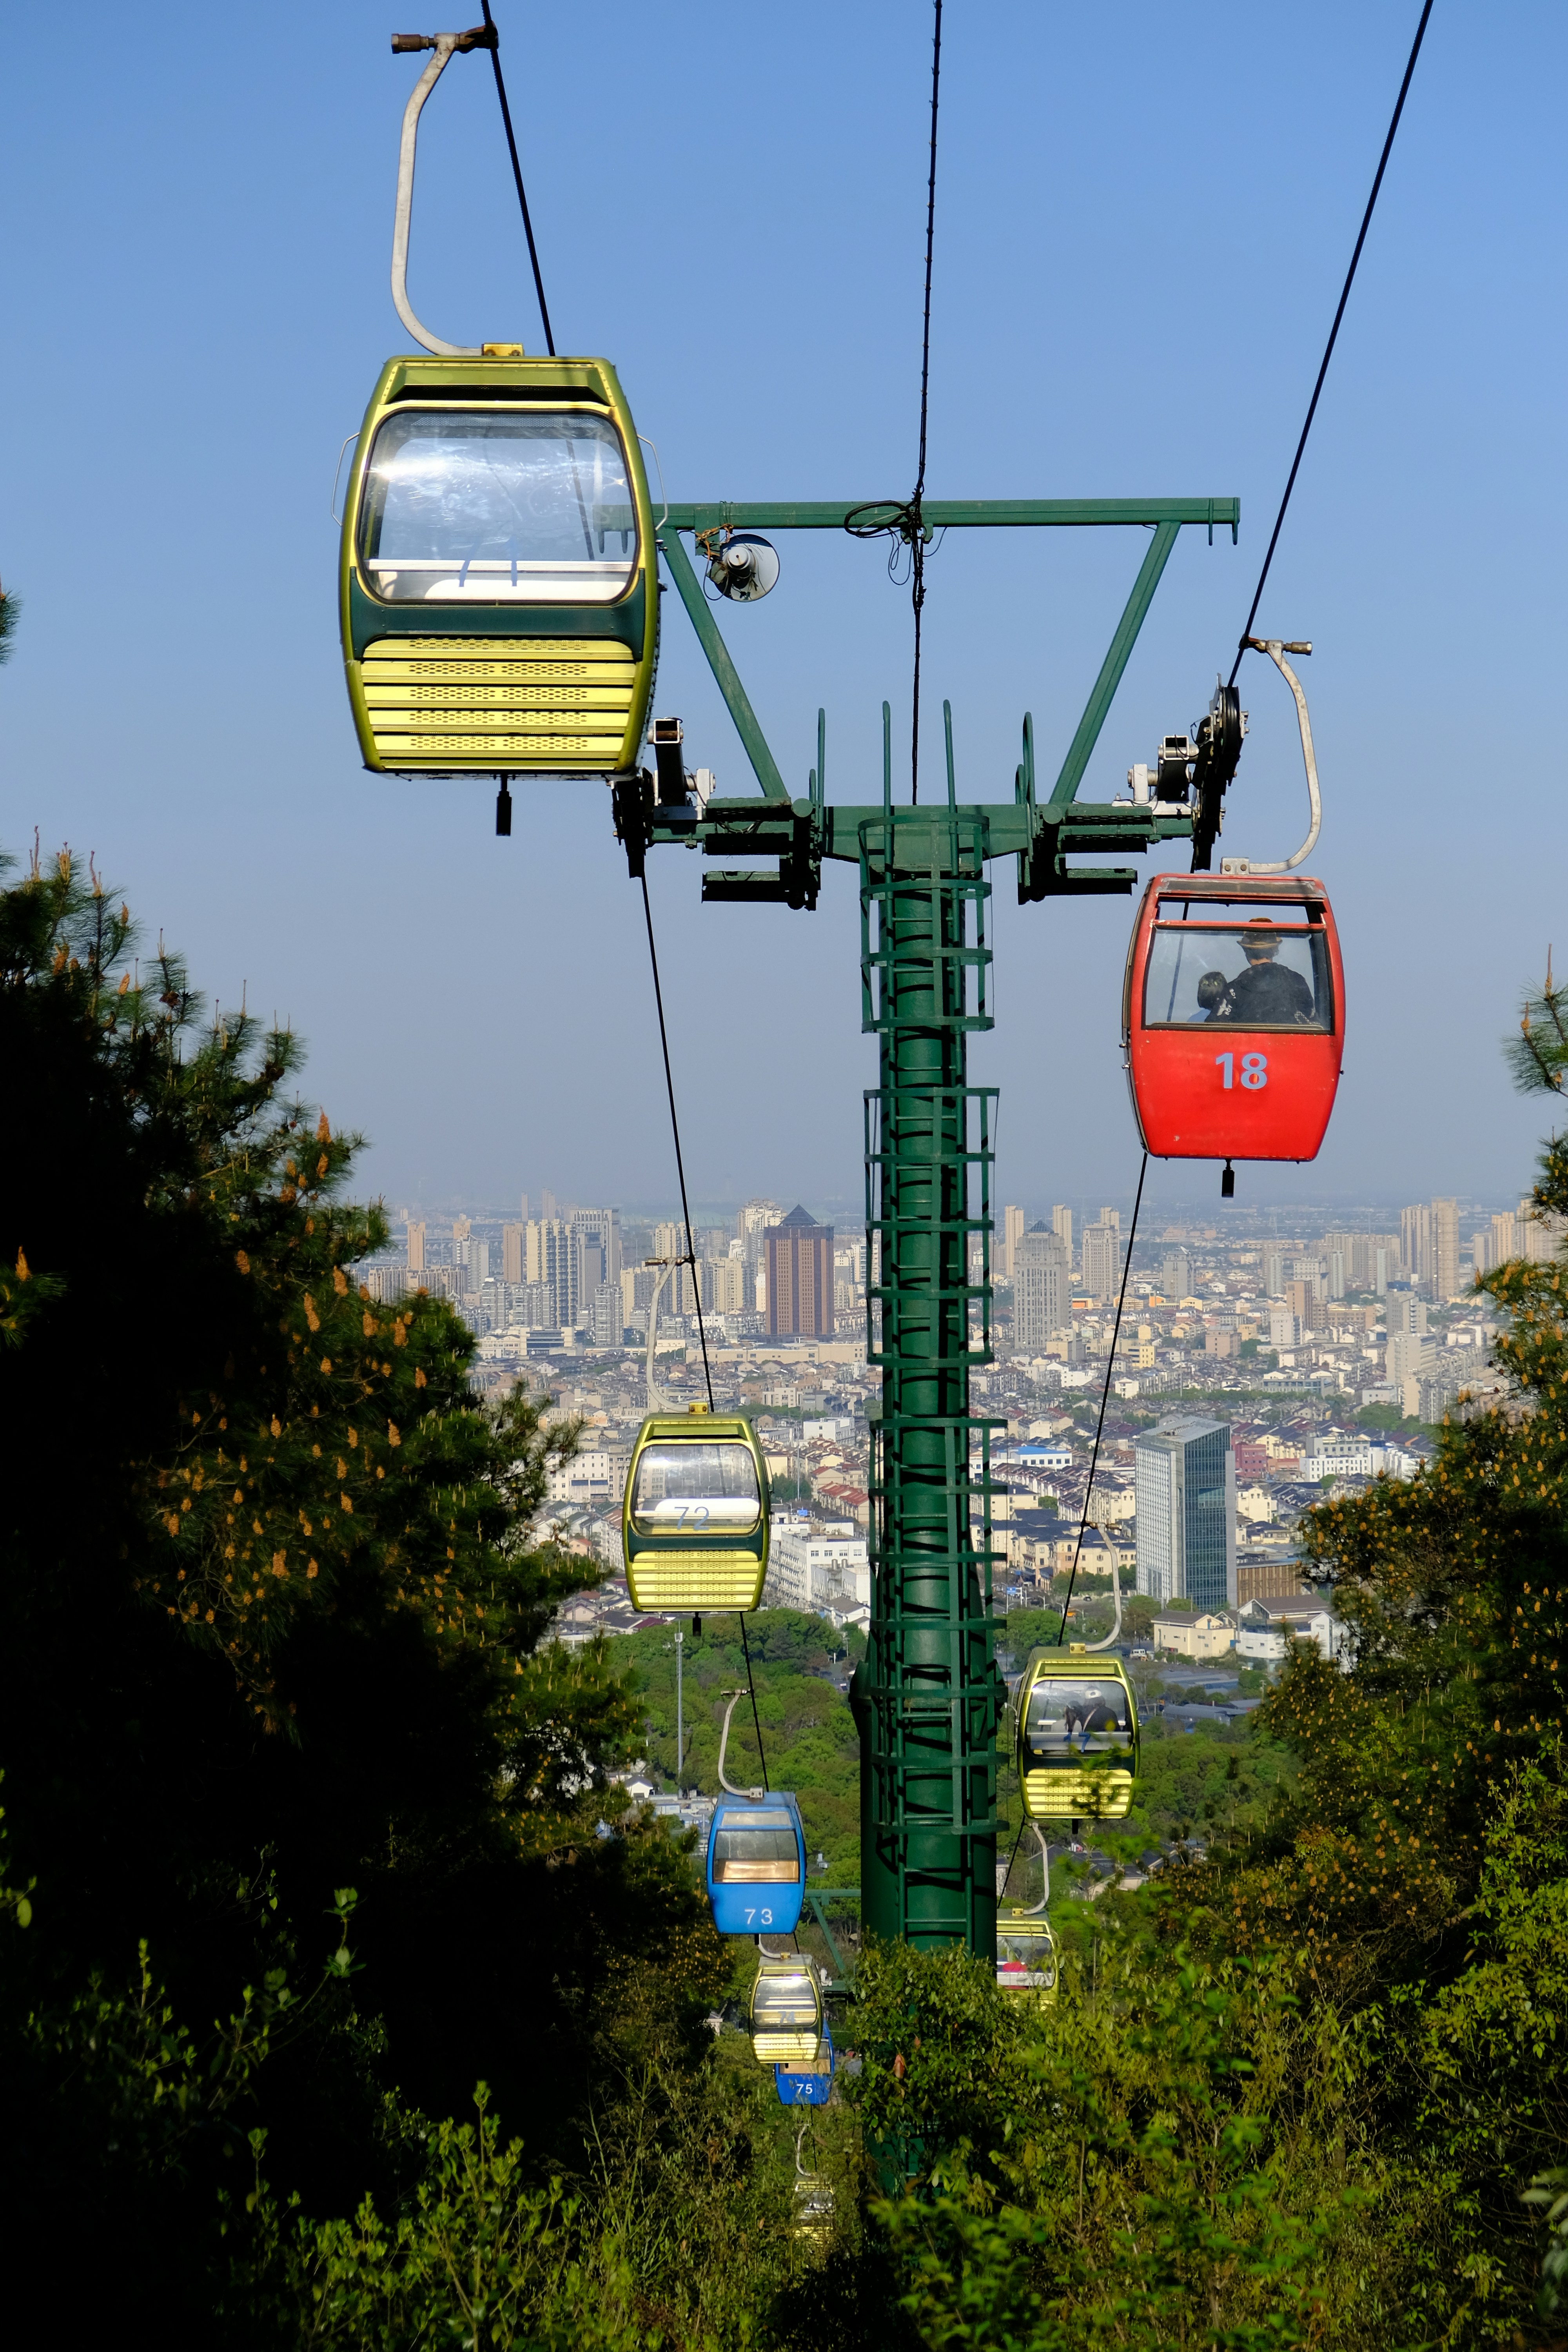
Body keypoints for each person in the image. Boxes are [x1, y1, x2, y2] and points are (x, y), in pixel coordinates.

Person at [1213, 927, 1315, 1024]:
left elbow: (1217, 1024)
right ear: (1275, 950)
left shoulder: (1234, 989)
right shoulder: (1297, 981)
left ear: (1246, 952)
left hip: (1246, 1043)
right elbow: (1312, 1018)